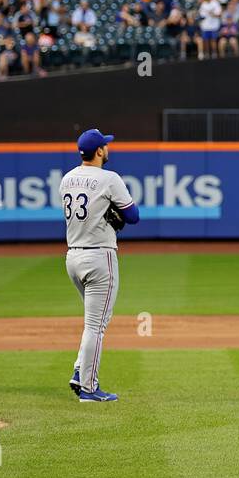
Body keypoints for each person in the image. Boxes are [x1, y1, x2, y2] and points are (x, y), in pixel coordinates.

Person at [60, 129, 140, 403]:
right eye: (104, 145)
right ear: (99, 152)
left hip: (73, 258)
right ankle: (89, 389)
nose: (107, 148)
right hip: (99, 258)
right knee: (96, 325)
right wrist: (112, 214)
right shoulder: (110, 178)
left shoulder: (67, 178)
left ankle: (79, 371)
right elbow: (132, 216)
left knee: (93, 322)